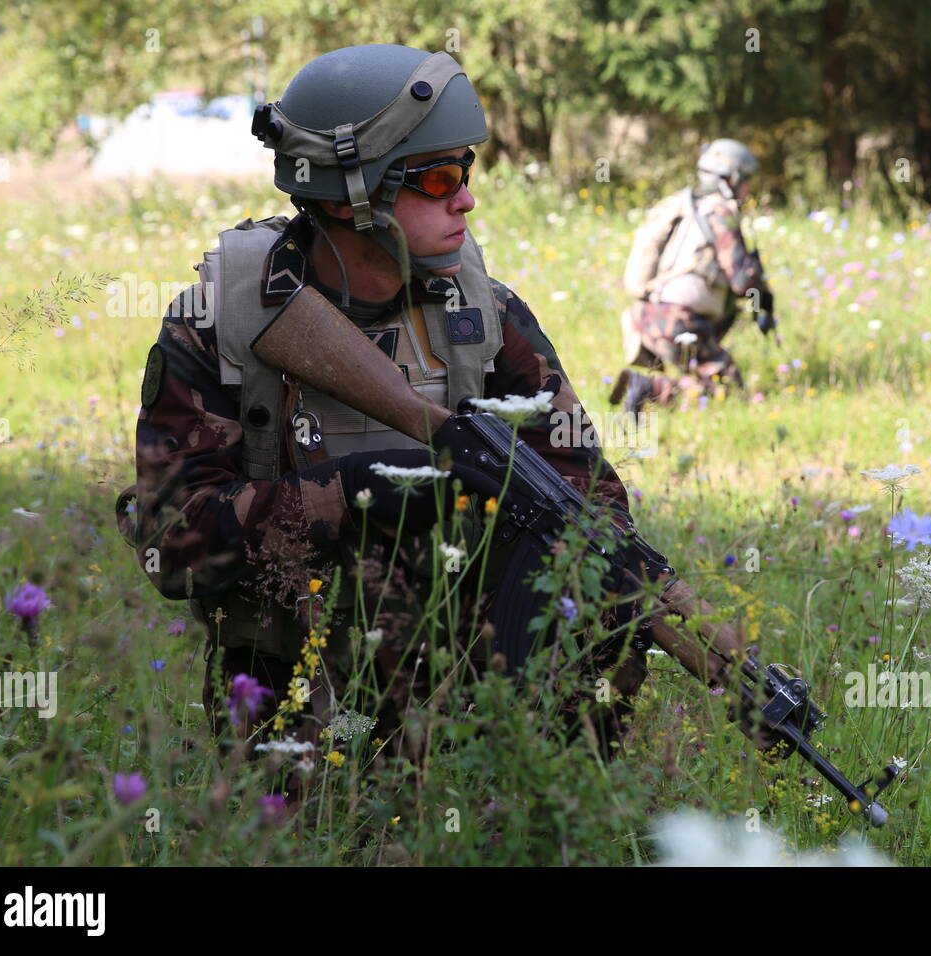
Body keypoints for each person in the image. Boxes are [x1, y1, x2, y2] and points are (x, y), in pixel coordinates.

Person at [114, 44, 649, 761]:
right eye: (437, 176)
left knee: (609, 608)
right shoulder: (223, 325)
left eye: (468, 169)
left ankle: (526, 776)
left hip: (463, 680)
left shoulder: (481, 318)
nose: (467, 196)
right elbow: (174, 545)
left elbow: (590, 495)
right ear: (348, 194)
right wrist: (362, 490)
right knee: (320, 830)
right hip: (296, 698)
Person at [610, 138, 777, 413]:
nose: (748, 188)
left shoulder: (683, 205)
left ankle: (652, 388)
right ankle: (647, 388)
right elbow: (742, 279)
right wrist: (764, 302)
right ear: (731, 178)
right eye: (745, 180)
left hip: (651, 313)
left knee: (703, 377)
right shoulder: (719, 211)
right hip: (679, 320)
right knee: (728, 393)